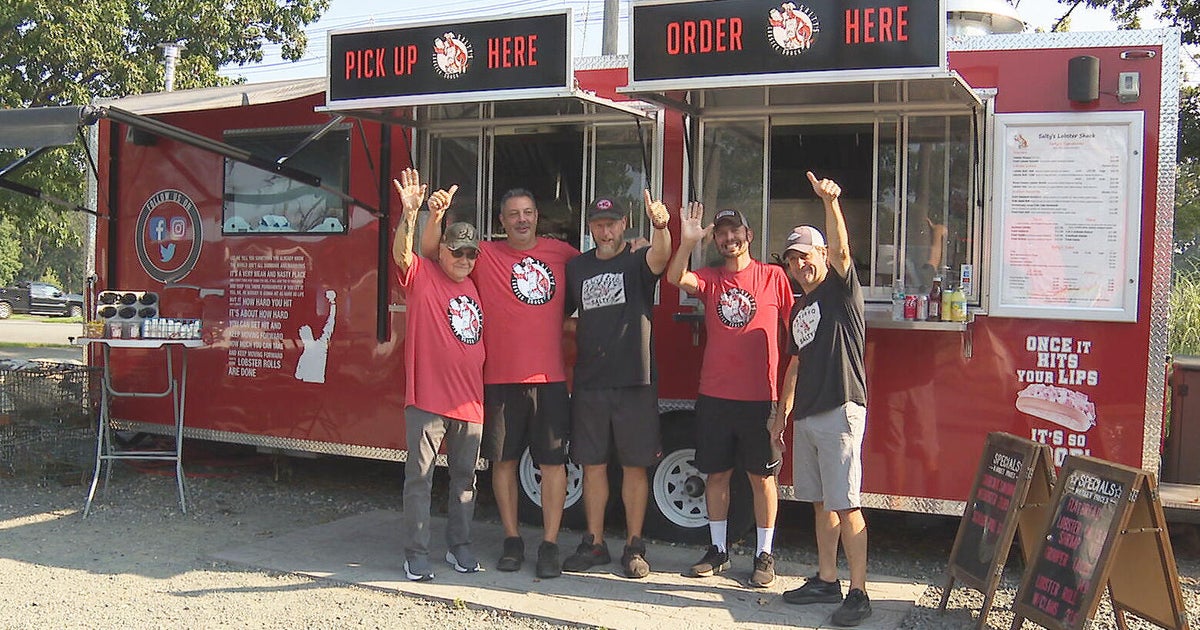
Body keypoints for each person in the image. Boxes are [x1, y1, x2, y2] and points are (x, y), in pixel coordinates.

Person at [420, 187, 578, 578]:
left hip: (551, 379)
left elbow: (599, 268)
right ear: (501, 221)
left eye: (527, 212)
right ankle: (512, 540)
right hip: (500, 380)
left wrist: (637, 247)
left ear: (537, 215)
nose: (521, 219)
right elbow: (429, 253)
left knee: (553, 464)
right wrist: (435, 216)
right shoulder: (483, 254)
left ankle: (550, 544)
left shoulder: (563, 254)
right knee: (503, 463)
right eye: (512, 214)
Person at [665, 201, 795, 588]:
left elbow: (799, 332)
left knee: (762, 479)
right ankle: (718, 550)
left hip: (760, 398)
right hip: (715, 396)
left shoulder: (774, 277)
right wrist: (687, 241)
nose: (728, 239)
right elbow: (675, 277)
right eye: (721, 234)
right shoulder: (710, 279)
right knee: (716, 475)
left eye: (734, 232)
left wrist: (786, 401)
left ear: (749, 236)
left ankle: (764, 554)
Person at [775, 171, 872, 627]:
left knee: (845, 502)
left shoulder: (840, 291)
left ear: (823, 256)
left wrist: (830, 203)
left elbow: (845, 249)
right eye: (792, 260)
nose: (799, 266)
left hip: (841, 409)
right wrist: (781, 416)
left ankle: (859, 592)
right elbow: (794, 365)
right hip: (808, 417)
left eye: (806, 257)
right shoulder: (799, 308)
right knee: (819, 502)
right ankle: (827, 579)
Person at [561, 191, 671, 579]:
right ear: (590, 227)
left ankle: (634, 545)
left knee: (634, 467)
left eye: (611, 223)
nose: (604, 230)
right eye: (597, 224)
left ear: (624, 224)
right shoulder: (576, 267)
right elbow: (564, 317)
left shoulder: (639, 259)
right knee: (592, 465)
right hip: (590, 382)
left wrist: (661, 226)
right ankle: (593, 543)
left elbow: (662, 256)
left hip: (634, 381)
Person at [392, 168, 485, 581]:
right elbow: (402, 254)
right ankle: (416, 553)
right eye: (457, 252)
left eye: (470, 254)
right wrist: (411, 215)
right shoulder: (423, 275)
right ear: (442, 250)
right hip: (427, 399)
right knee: (421, 480)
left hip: (471, 402)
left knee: (465, 481)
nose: (463, 260)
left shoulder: (473, 284)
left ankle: (459, 547)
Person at [295, 290, 336, 383]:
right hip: (318, 383)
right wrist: (332, 302)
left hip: (307, 387)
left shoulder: (304, 356)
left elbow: (298, 376)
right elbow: (331, 322)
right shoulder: (321, 344)